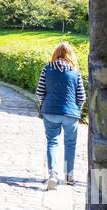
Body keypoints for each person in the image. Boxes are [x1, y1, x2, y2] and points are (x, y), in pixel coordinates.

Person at [36, 41, 86, 189]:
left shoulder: (47, 69)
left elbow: (39, 92)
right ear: (71, 55)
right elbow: (82, 96)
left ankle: (53, 175)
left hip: (50, 111)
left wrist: (44, 104)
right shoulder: (75, 72)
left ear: (56, 54)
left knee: (52, 142)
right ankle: (69, 175)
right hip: (71, 113)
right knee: (70, 144)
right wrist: (77, 110)